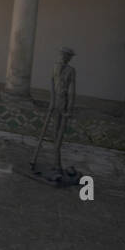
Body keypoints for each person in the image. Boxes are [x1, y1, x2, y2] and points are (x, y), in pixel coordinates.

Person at [32, 46, 76, 180]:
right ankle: (56, 165)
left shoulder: (71, 70)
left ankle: (58, 165)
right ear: (60, 55)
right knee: (53, 134)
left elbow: (72, 91)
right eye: (63, 55)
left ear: (70, 58)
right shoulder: (55, 67)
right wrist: (51, 101)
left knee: (59, 138)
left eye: (67, 56)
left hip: (64, 104)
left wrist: (69, 109)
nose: (64, 57)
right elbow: (51, 82)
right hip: (55, 102)